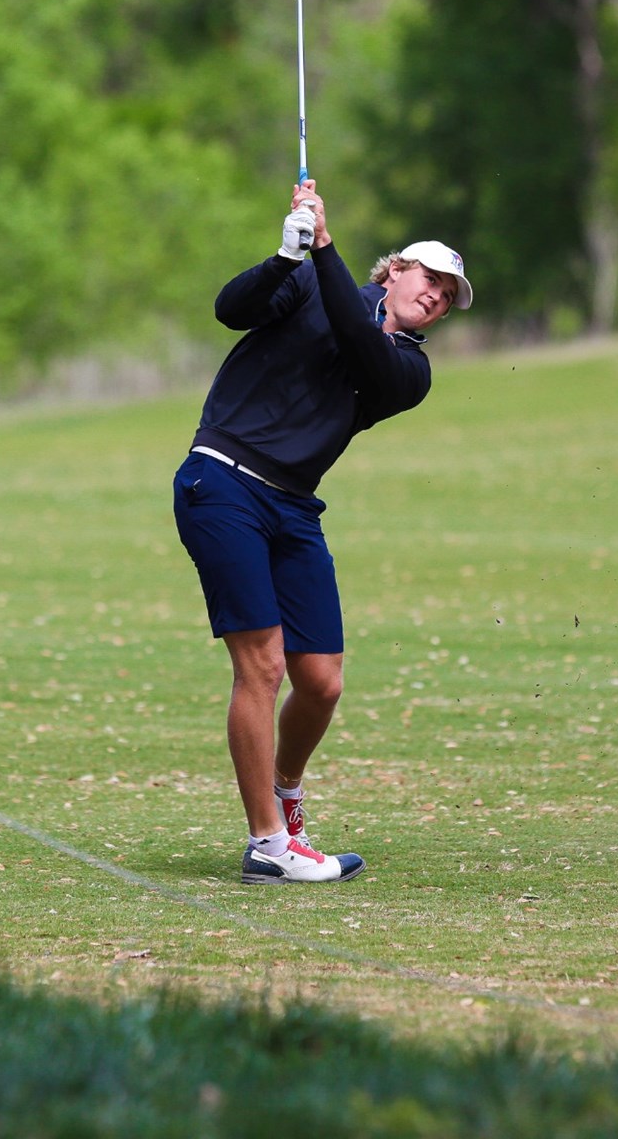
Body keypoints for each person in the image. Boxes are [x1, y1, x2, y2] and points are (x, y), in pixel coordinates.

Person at [172, 180, 473, 884]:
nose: (435, 295)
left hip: (293, 506)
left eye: (447, 294)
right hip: (222, 481)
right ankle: (268, 847)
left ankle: (287, 795)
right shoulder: (307, 281)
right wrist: (285, 258)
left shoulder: (410, 370)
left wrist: (326, 252)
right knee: (264, 666)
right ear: (393, 269)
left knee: (322, 681)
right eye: (428, 277)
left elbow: (359, 344)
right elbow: (230, 310)